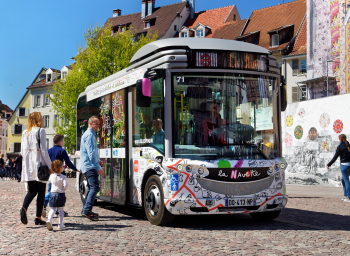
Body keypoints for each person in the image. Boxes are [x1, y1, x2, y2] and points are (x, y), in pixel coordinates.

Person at [20, 112, 52, 226]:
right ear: (38, 119)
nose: (43, 119)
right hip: (39, 165)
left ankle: (24, 208)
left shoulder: (25, 133)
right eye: (41, 117)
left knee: (32, 190)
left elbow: (22, 151)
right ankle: (38, 217)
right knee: (41, 191)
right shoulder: (40, 131)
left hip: (28, 166)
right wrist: (50, 166)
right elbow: (44, 150)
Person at [44, 134, 79, 217]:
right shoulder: (62, 151)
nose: (63, 143)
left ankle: (50, 207)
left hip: (51, 174)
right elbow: (68, 162)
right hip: (60, 175)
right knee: (59, 192)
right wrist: (75, 169)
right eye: (63, 141)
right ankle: (50, 206)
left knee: (51, 191)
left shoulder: (49, 150)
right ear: (60, 142)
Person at [80, 116, 104, 221]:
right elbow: (91, 153)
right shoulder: (89, 135)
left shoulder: (89, 134)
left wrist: (97, 161)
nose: (98, 126)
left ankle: (85, 209)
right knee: (94, 187)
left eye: (99, 124)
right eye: (97, 124)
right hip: (90, 166)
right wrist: (98, 166)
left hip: (88, 165)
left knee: (90, 188)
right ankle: (87, 210)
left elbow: (91, 152)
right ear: (90, 124)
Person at [327, 134, 350, 202]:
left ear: (340, 139)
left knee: (346, 181)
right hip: (349, 166)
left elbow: (335, 157)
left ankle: (349, 197)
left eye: (339, 139)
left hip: (344, 166)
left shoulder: (340, 146)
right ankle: (345, 195)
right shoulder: (349, 145)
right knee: (343, 180)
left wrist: (329, 164)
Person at [46, 160, 68, 231]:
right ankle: (60, 224)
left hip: (52, 194)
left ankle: (49, 220)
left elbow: (49, 182)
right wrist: (63, 189)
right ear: (60, 168)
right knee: (61, 210)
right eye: (62, 166)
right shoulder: (63, 177)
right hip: (60, 195)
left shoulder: (51, 176)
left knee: (52, 209)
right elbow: (66, 185)